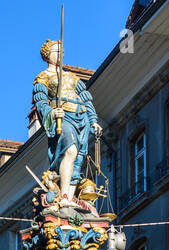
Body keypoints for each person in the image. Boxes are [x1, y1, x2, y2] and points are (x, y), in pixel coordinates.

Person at [31, 39, 102, 208]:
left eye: (62, 51)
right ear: (47, 55)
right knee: (69, 151)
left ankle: (69, 198)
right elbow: (40, 102)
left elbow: (86, 98)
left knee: (78, 158)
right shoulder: (43, 77)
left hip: (81, 116)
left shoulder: (72, 77)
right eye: (56, 51)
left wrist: (93, 120)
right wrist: (51, 112)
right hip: (63, 117)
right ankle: (63, 195)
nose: (60, 54)